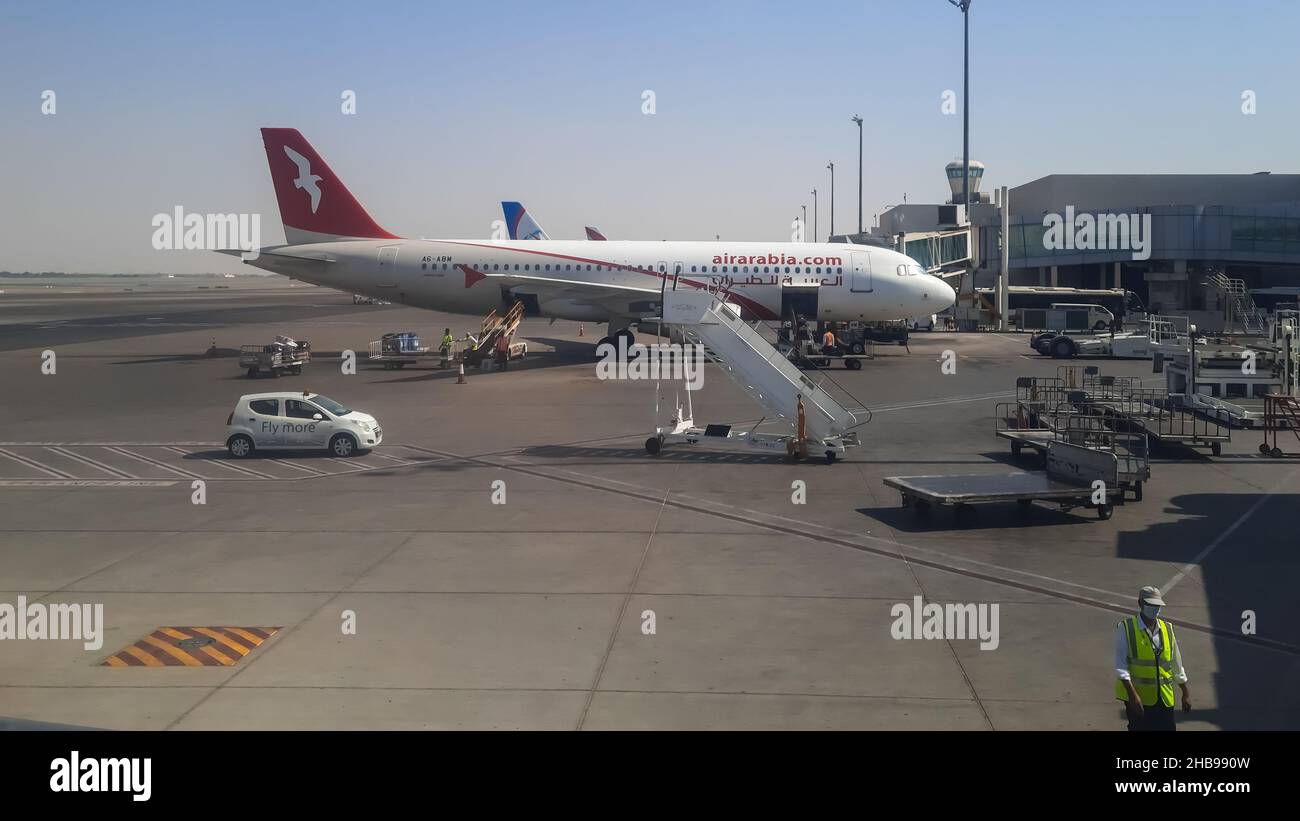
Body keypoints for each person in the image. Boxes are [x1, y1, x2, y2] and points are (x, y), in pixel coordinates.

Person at [1115, 586, 1191, 731]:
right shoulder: (1126, 628)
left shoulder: (1167, 628)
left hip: (1164, 697)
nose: (1155, 608)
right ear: (1140, 604)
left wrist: (1185, 693)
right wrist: (1133, 697)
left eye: (1157, 605)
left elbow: (1176, 663)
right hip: (1139, 698)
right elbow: (1121, 666)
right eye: (1150, 605)